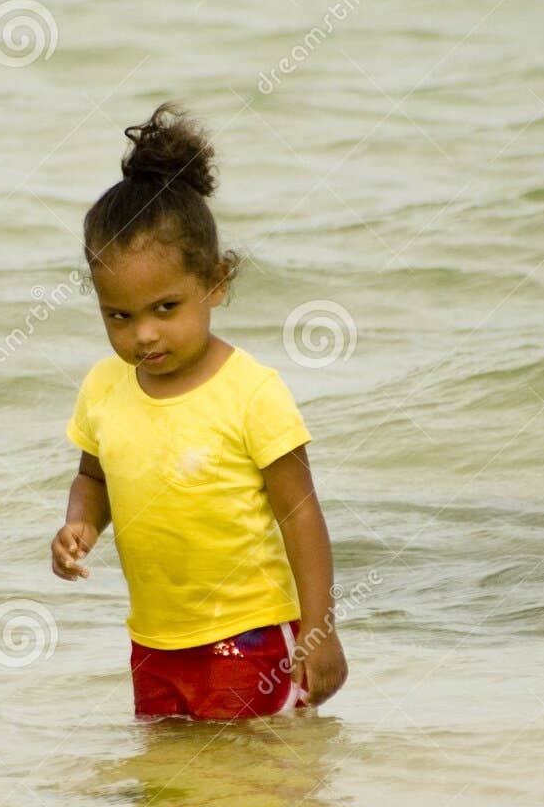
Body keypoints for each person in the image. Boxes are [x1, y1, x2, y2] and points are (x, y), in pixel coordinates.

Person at [50, 102, 348, 722]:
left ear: (216, 281)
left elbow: (301, 515)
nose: (144, 335)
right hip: (155, 644)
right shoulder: (104, 387)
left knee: (261, 774)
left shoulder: (251, 391)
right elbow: (93, 477)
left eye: (165, 308)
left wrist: (320, 631)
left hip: (252, 639)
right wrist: (80, 524)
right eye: (118, 316)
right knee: (167, 776)